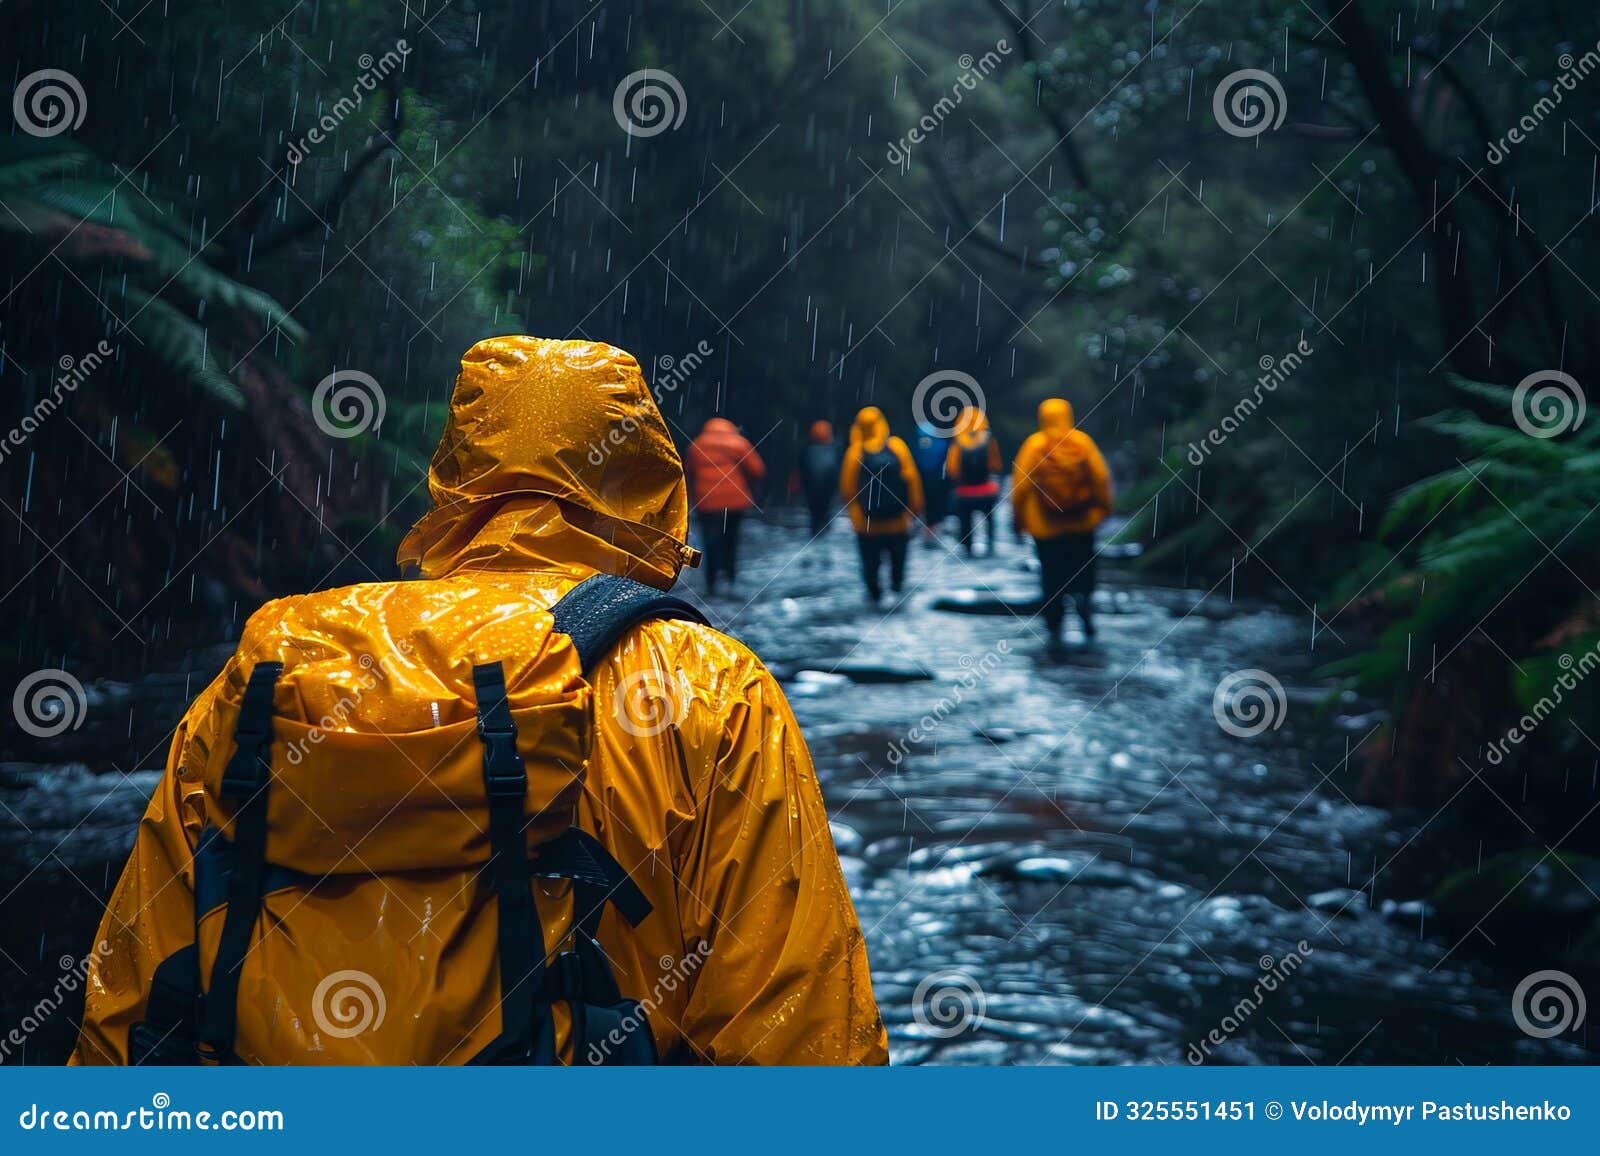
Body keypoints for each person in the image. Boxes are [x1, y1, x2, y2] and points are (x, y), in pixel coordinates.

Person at [72, 337, 887, 1066]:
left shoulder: (265, 679)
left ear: (455, 476)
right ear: (647, 477)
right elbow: (802, 1031)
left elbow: (132, 1001)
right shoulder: (710, 686)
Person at [1011, 398, 1113, 647]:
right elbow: (1100, 478)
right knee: (1083, 572)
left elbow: (1020, 489)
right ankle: (1085, 608)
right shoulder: (1082, 442)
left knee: (1051, 577)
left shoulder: (1034, 445)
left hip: (1046, 528)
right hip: (1082, 524)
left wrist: (1018, 522)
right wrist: (1104, 510)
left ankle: (1054, 630)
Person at [838, 405, 923, 603]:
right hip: (898, 525)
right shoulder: (897, 447)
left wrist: (857, 520)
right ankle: (896, 603)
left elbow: (847, 491)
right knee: (898, 580)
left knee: (871, 578)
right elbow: (912, 481)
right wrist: (913, 513)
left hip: (867, 527)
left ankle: (875, 602)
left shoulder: (854, 453)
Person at [685, 415, 766, 595]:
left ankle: (711, 579)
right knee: (731, 539)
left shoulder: (696, 445)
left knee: (709, 540)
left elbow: (688, 472)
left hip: (706, 502)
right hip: (734, 502)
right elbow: (757, 469)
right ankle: (730, 577)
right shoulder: (738, 443)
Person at [945, 407, 1003, 556]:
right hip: (986, 490)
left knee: (965, 519)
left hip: (965, 492)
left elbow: (952, 469)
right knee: (989, 517)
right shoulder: (988, 439)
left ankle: (967, 546)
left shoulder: (958, 440)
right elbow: (995, 465)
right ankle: (990, 542)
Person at [798, 419, 841, 535]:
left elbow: (802, 471)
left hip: (812, 490)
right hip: (827, 490)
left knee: (814, 514)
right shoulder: (834, 450)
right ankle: (824, 530)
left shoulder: (807, 450)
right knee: (825, 513)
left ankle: (815, 531)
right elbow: (837, 471)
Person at [910, 420, 949, 543]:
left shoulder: (917, 444)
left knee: (923, 508)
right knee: (934, 509)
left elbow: (914, 461)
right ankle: (932, 532)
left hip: (921, 482)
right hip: (938, 481)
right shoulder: (941, 443)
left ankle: (925, 532)